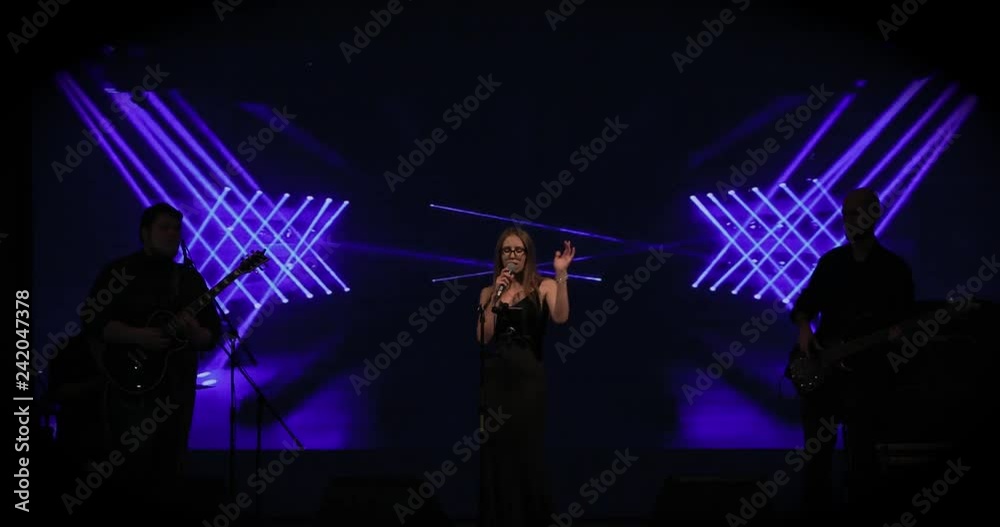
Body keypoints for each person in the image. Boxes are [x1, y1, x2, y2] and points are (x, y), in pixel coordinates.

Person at [68, 202, 223, 514]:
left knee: (170, 468)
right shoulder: (120, 272)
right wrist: (136, 336)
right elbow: (92, 321)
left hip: (176, 388)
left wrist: (194, 332)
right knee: (129, 469)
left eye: (177, 228)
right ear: (145, 233)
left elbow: (212, 335)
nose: (172, 234)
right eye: (164, 227)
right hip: (129, 389)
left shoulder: (189, 279)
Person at [789, 187, 915, 518]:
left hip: (867, 380)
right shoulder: (831, 262)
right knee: (816, 461)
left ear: (875, 214)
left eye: (858, 212)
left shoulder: (894, 270)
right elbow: (804, 305)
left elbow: (905, 326)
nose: (851, 220)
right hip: (825, 375)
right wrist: (805, 328)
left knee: (863, 460)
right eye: (846, 213)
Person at [476, 226, 574, 527]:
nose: (513, 256)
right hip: (495, 381)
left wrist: (561, 274)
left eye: (519, 250)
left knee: (527, 452)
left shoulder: (543, 286)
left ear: (528, 254)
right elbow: (482, 337)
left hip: (529, 381)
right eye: (508, 250)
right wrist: (496, 297)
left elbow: (561, 317)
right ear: (500, 256)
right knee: (498, 454)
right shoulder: (488, 292)